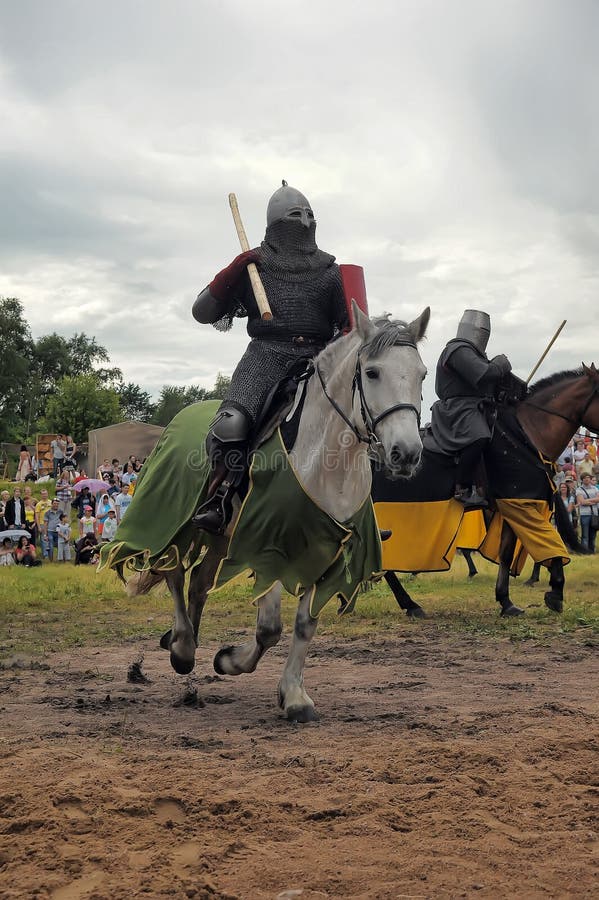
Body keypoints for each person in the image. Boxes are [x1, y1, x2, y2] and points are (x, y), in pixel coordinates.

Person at [191, 181, 349, 533]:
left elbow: (347, 327)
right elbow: (203, 312)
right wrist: (231, 272)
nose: (306, 222)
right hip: (266, 355)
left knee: (360, 422)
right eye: (297, 215)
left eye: (310, 215)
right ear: (278, 225)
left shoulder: (330, 272)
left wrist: (342, 346)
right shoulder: (255, 267)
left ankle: (361, 507)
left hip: (319, 360)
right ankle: (221, 499)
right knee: (230, 426)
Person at [428, 310, 523, 510]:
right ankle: (462, 487)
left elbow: (493, 381)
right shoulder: (457, 349)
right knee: (479, 436)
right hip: (458, 410)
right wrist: (501, 363)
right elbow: (484, 374)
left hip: (478, 408)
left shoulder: (475, 355)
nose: (482, 336)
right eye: (481, 331)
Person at [576, 472, 599, 553]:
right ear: (582, 479)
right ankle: (585, 551)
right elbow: (581, 502)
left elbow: (598, 499)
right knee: (585, 535)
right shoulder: (579, 489)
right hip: (584, 514)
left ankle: (592, 551)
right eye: (585, 478)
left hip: (594, 514)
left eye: (588, 477)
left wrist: (587, 501)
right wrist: (592, 501)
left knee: (593, 535)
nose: (587, 479)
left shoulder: (595, 488)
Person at [35, 488, 52, 559]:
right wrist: (38, 526)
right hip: (42, 523)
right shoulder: (38, 504)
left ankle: (51, 554)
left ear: (47, 494)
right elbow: (37, 516)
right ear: (41, 495)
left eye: (45, 494)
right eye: (43, 494)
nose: (44, 495)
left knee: (50, 539)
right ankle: (45, 555)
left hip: (51, 523)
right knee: (43, 539)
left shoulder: (51, 502)